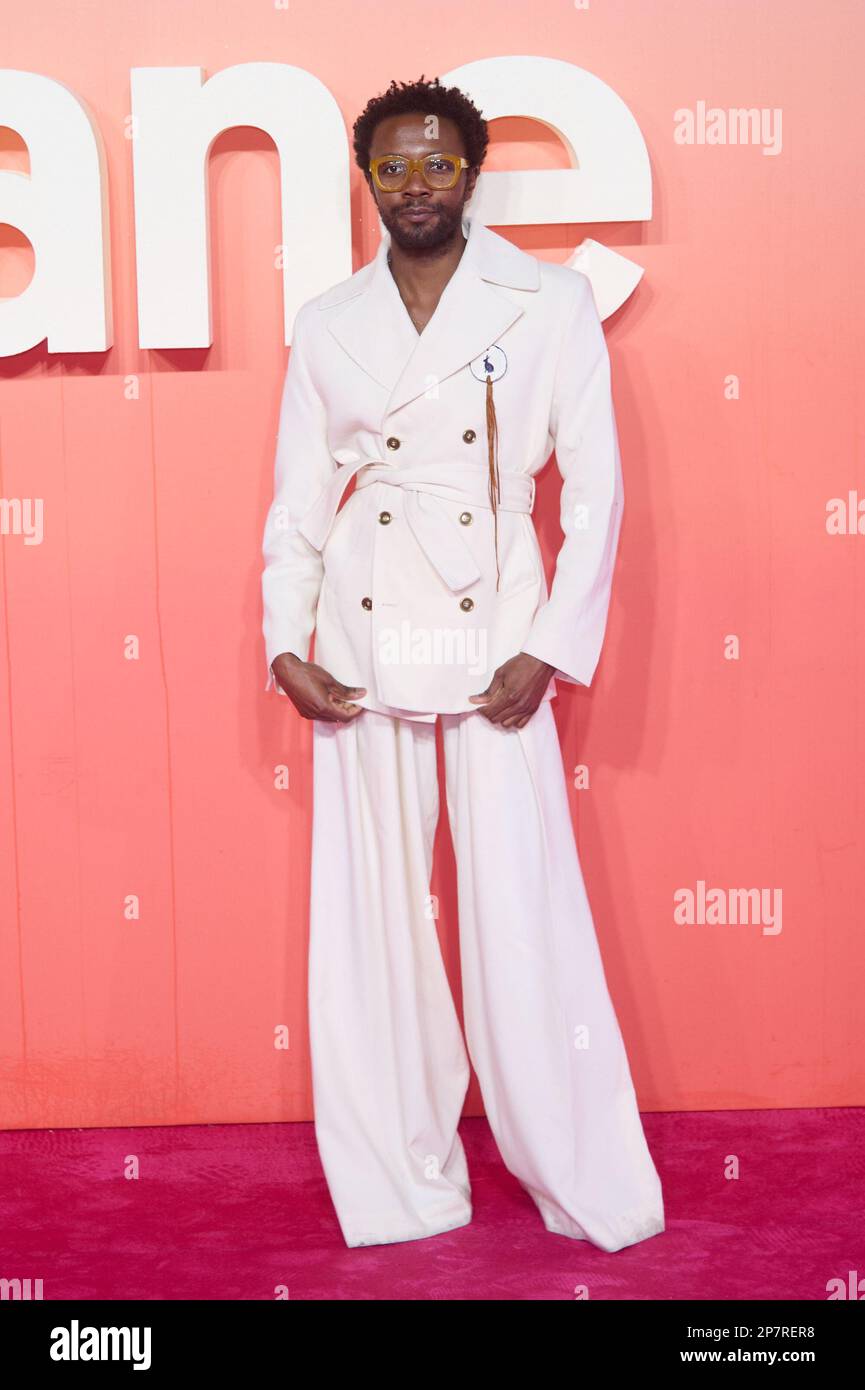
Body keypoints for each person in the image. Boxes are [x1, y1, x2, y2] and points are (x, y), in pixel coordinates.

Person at [261, 75, 665, 1251]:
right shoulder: (329, 319)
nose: (417, 183)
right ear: (367, 179)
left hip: (496, 636)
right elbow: (296, 504)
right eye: (393, 166)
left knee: (523, 911)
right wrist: (284, 640)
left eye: (438, 162)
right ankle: (400, 1183)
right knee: (371, 925)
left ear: (472, 173)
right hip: (361, 631)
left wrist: (551, 644)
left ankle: (581, 1172)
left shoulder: (548, 300)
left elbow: (591, 491)